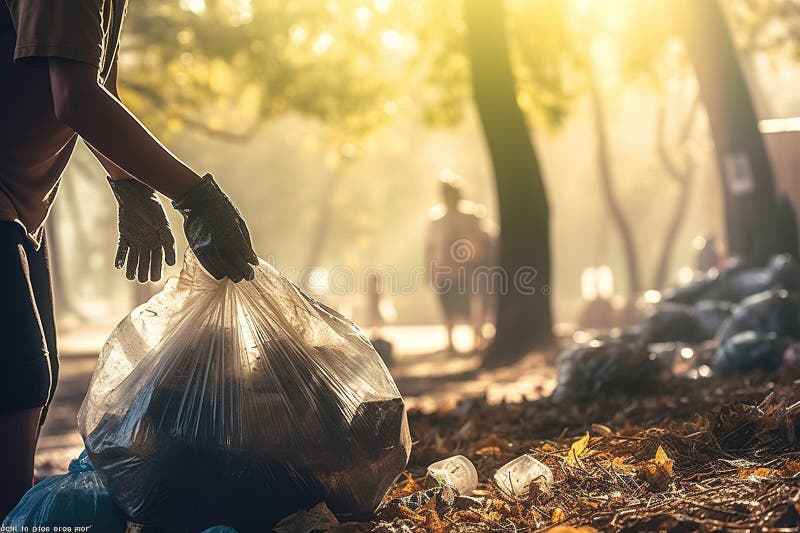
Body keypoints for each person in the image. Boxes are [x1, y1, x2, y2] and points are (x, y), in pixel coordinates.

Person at [0, 0, 257, 517]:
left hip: (23, 206)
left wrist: (130, 185)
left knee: (32, 381)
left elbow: (98, 86)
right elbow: (74, 99)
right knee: (19, 377)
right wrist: (196, 197)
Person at [425, 172, 495, 353]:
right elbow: (430, 247)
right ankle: (451, 343)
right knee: (448, 306)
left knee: (472, 304)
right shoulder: (437, 218)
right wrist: (429, 269)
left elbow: (484, 240)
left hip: (467, 269)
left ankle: (476, 339)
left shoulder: (471, 215)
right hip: (444, 269)